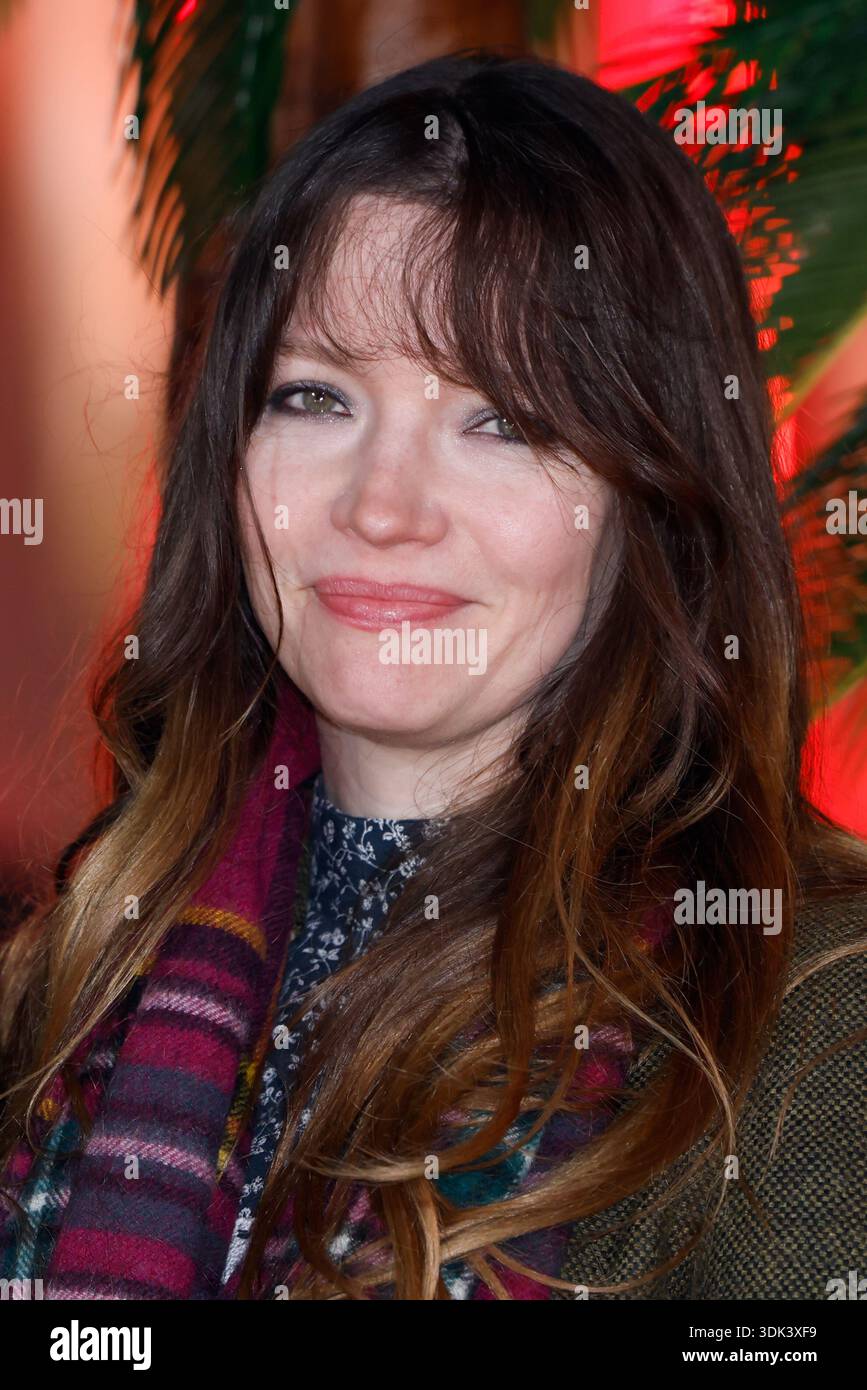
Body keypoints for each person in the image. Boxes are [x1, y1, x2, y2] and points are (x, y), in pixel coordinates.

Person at [1, 48, 865, 1302]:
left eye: (503, 418)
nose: (384, 507)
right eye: (314, 397)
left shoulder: (820, 1030)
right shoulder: (65, 976)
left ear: (656, 501)